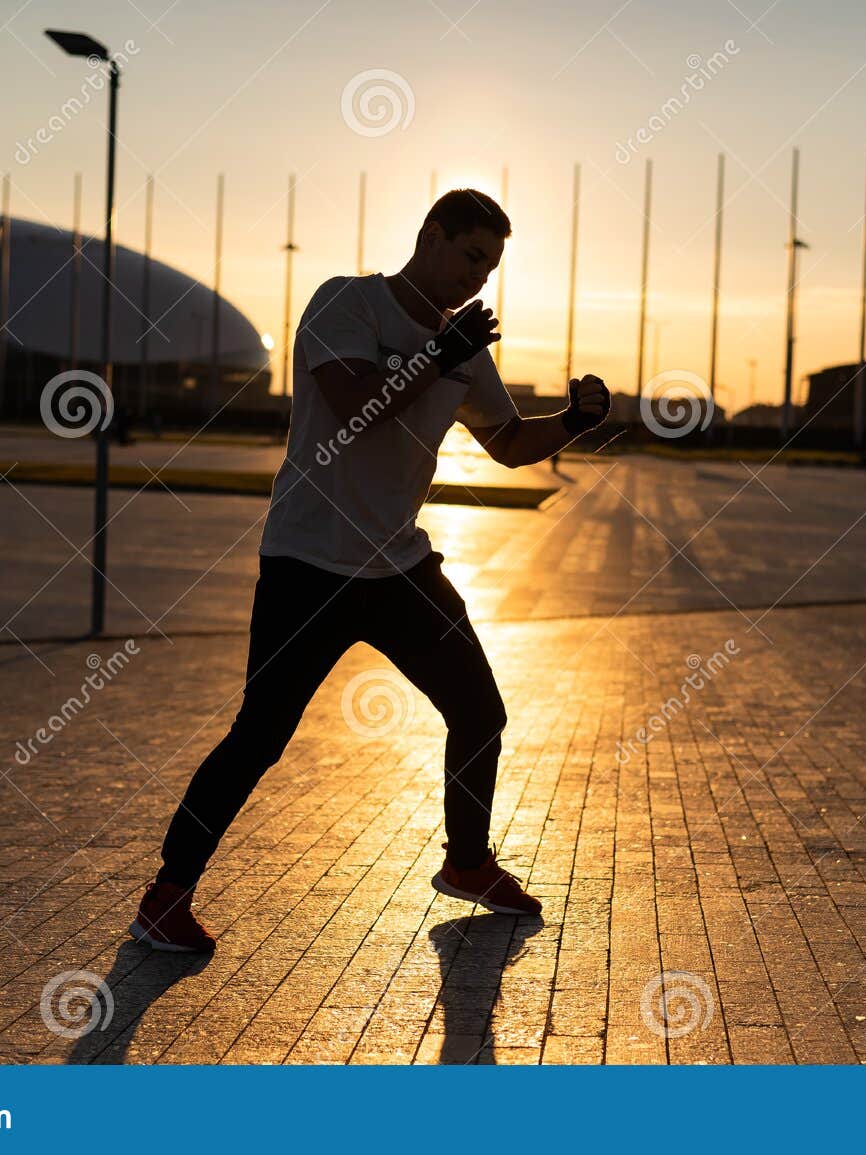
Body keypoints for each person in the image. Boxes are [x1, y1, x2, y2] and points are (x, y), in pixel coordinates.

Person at [130, 189, 611, 952]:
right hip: (308, 563)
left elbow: (511, 441)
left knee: (480, 711)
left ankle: (467, 861)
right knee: (259, 737)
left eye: (489, 266)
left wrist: (578, 421)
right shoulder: (346, 304)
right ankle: (165, 895)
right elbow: (355, 403)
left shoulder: (460, 349)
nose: (476, 279)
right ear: (429, 235)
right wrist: (436, 358)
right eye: (467, 256)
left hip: (398, 567)